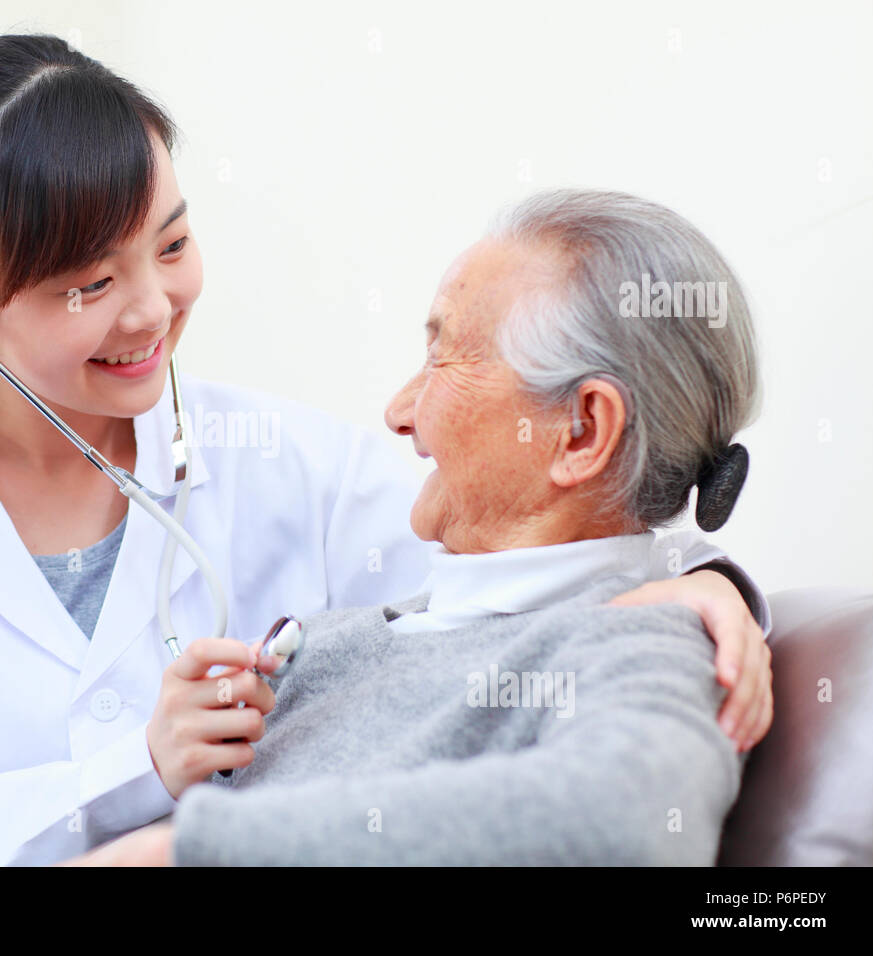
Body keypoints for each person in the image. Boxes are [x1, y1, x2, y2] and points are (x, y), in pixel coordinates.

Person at [0, 35, 770, 866]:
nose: (152, 310)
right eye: (88, 283)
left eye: (170, 245)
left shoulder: (284, 465)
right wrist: (143, 772)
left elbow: (543, 532)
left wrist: (706, 582)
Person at [67, 189, 769, 866]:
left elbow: (627, 826)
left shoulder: (641, 642)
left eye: (444, 357)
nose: (400, 411)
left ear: (582, 432)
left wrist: (182, 853)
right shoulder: (341, 638)